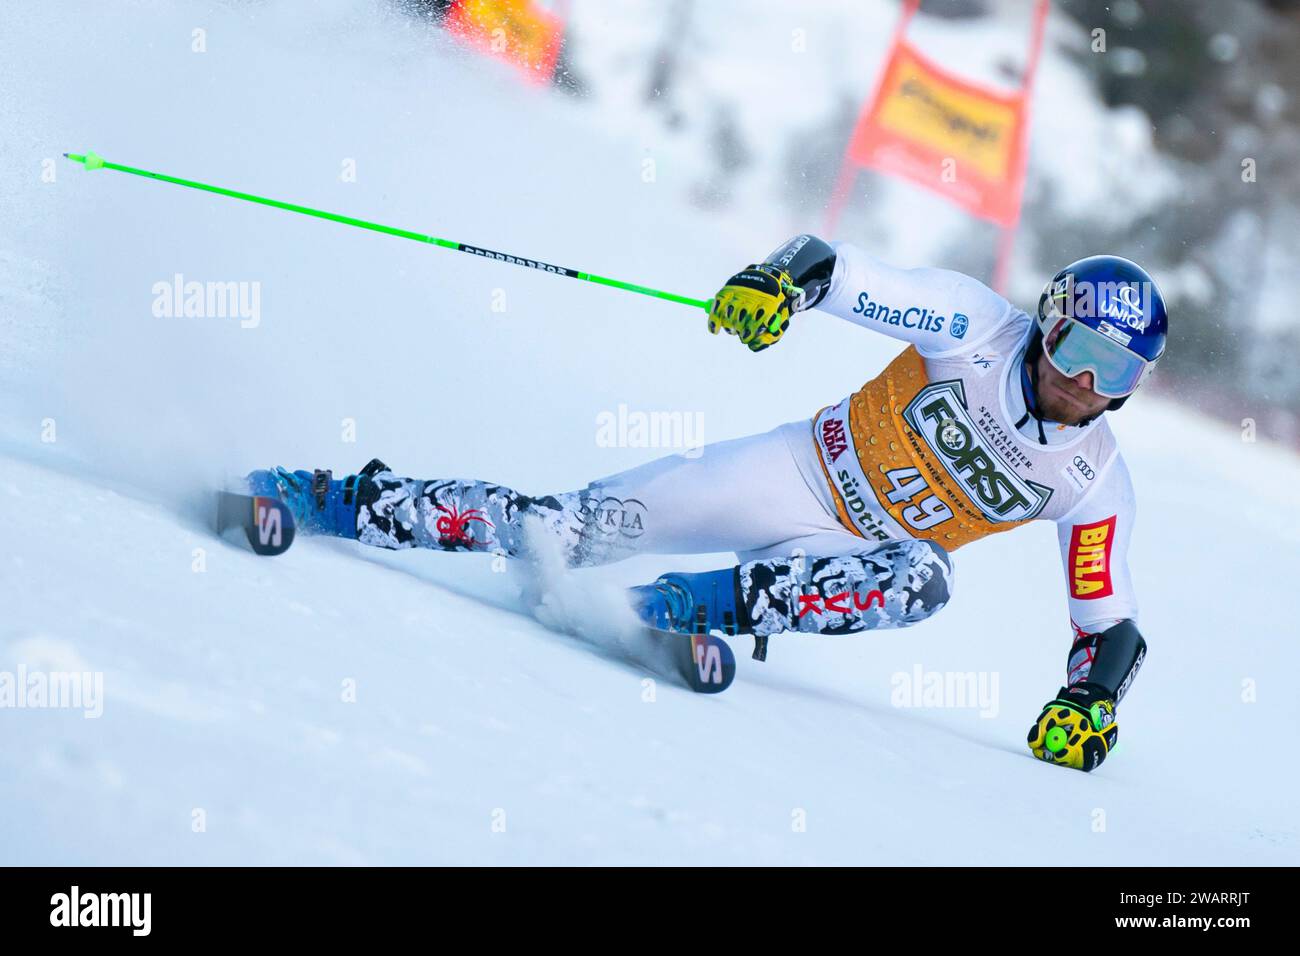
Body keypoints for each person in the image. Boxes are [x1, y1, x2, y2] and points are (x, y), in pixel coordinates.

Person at [249, 234, 1167, 772]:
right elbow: (839, 271)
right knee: (557, 530)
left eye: (1116, 371)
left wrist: (1092, 703)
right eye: (1079, 346)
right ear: (1047, 322)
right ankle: (331, 500)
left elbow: (1109, 623)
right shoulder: (974, 327)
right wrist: (777, 286)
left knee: (928, 578)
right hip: (789, 473)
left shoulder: (1091, 481)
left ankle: (681, 608)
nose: (1085, 381)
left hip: (838, 563)